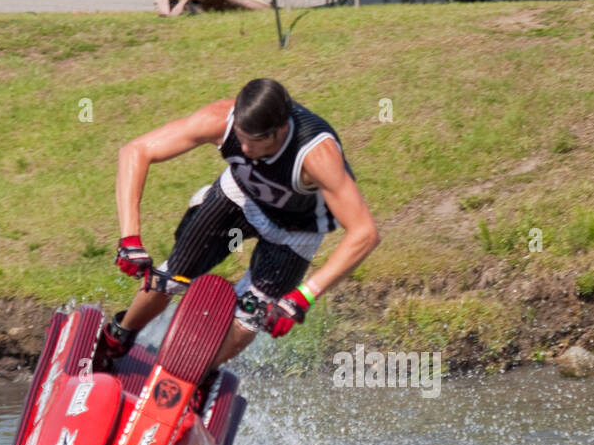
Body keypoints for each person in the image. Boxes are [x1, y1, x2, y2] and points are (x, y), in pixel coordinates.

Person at [95, 78, 380, 377]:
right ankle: (118, 336)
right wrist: (129, 239)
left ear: (281, 130)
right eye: (240, 137)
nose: (243, 147)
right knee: (170, 278)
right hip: (240, 197)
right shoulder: (221, 119)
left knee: (252, 315)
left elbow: (365, 233)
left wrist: (302, 297)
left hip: (295, 232)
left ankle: (196, 377)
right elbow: (135, 151)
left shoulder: (317, 157)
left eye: (254, 142)